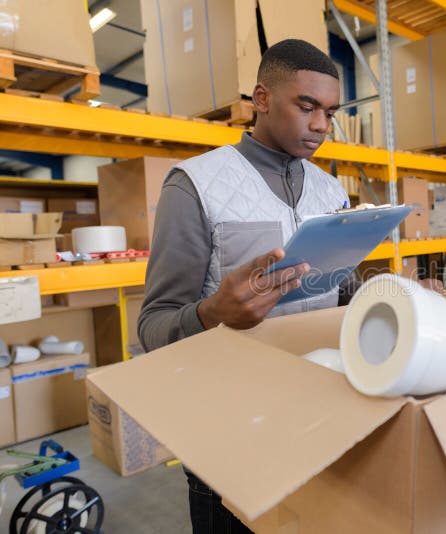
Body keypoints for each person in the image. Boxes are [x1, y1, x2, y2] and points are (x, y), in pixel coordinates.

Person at [138, 39, 349, 533]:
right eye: (307, 106)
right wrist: (213, 314)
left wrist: (392, 295)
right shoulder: (195, 185)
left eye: (330, 112)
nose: (321, 125)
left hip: (316, 412)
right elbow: (152, 327)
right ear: (261, 98)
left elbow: (338, 290)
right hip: (229, 433)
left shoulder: (330, 189)